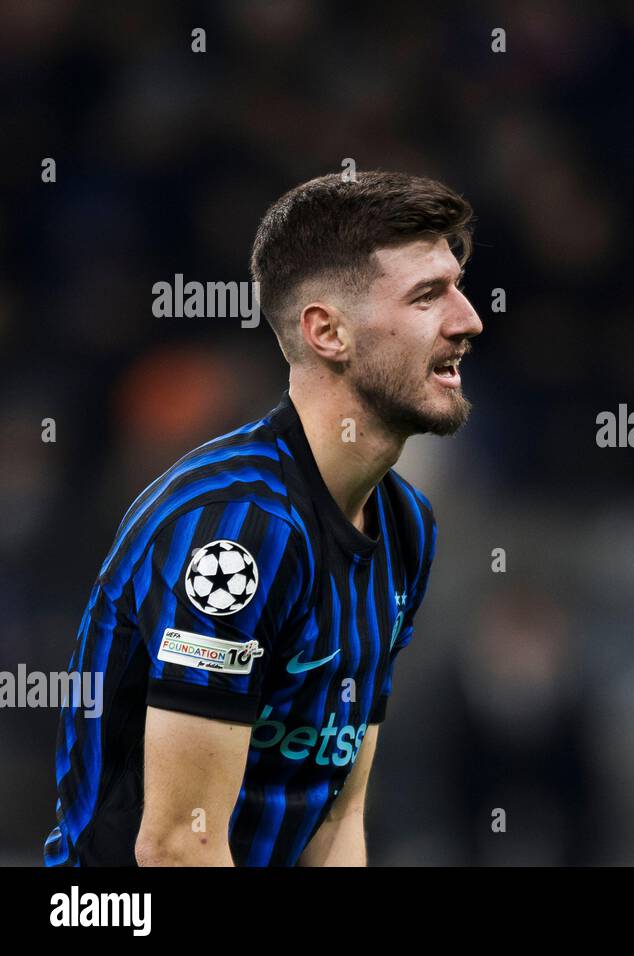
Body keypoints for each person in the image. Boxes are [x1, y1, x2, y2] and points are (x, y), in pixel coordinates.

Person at [44, 170, 482, 865]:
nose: (468, 320)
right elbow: (177, 849)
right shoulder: (235, 529)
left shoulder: (406, 526)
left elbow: (336, 817)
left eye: (457, 287)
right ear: (327, 332)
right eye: (429, 296)